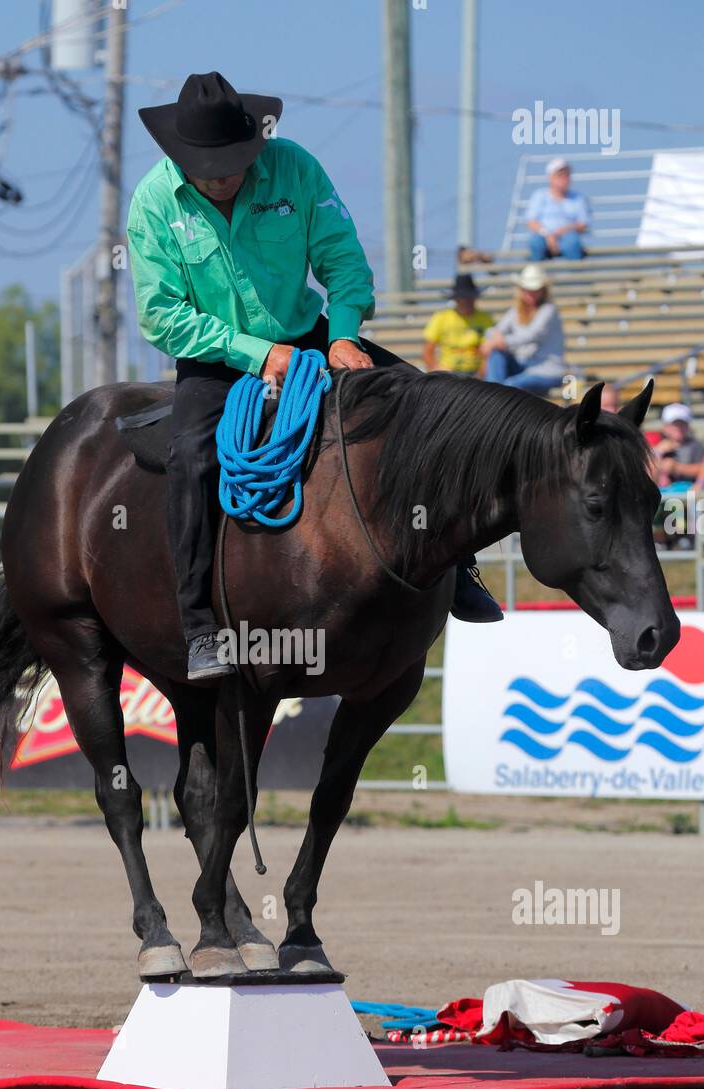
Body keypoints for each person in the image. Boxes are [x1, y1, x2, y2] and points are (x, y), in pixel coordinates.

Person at [128, 72, 501, 679]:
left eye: (233, 162)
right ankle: (198, 625)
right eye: (209, 166)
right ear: (180, 156)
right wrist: (257, 354)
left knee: (426, 408)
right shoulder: (152, 203)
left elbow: (343, 260)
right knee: (192, 457)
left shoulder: (295, 169)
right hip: (214, 357)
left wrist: (344, 333)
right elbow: (163, 316)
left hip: (313, 338)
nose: (222, 176)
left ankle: (460, 566)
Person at [481, 264, 566, 396]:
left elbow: (532, 335)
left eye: (535, 289)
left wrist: (500, 340)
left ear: (543, 290)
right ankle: (494, 395)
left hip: (547, 371)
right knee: (496, 354)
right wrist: (495, 338)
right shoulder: (516, 311)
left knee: (510, 387)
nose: (531, 293)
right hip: (525, 367)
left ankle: (493, 398)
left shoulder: (549, 310)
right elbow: (495, 331)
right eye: (528, 289)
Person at [423, 273, 493, 377]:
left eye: (468, 297)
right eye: (462, 298)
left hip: (475, 374)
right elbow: (428, 350)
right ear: (455, 299)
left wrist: (482, 372)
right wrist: (436, 369)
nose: (465, 301)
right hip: (449, 373)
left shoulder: (486, 319)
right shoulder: (441, 317)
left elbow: (489, 351)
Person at [526, 158, 590, 261]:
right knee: (536, 243)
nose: (565, 178)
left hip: (568, 236)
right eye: (560, 175)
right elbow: (531, 222)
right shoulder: (539, 195)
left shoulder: (578, 198)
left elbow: (583, 223)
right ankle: (537, 274)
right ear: (550, 177)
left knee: (572, 243)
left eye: (567, 175)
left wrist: (565, 230)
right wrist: (548, 235)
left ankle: (576, 275)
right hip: (543, 236)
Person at [646, 403, 704, 486]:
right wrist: (658, 453)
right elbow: (649, 474)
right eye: (674, 424)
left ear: (687, 426)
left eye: (682, 424)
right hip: (664, 493)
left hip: (687, 491)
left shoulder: (695, 445)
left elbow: (701, 468)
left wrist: (677, 468)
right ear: (666, 426)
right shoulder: (656, 444)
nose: (678, 428)